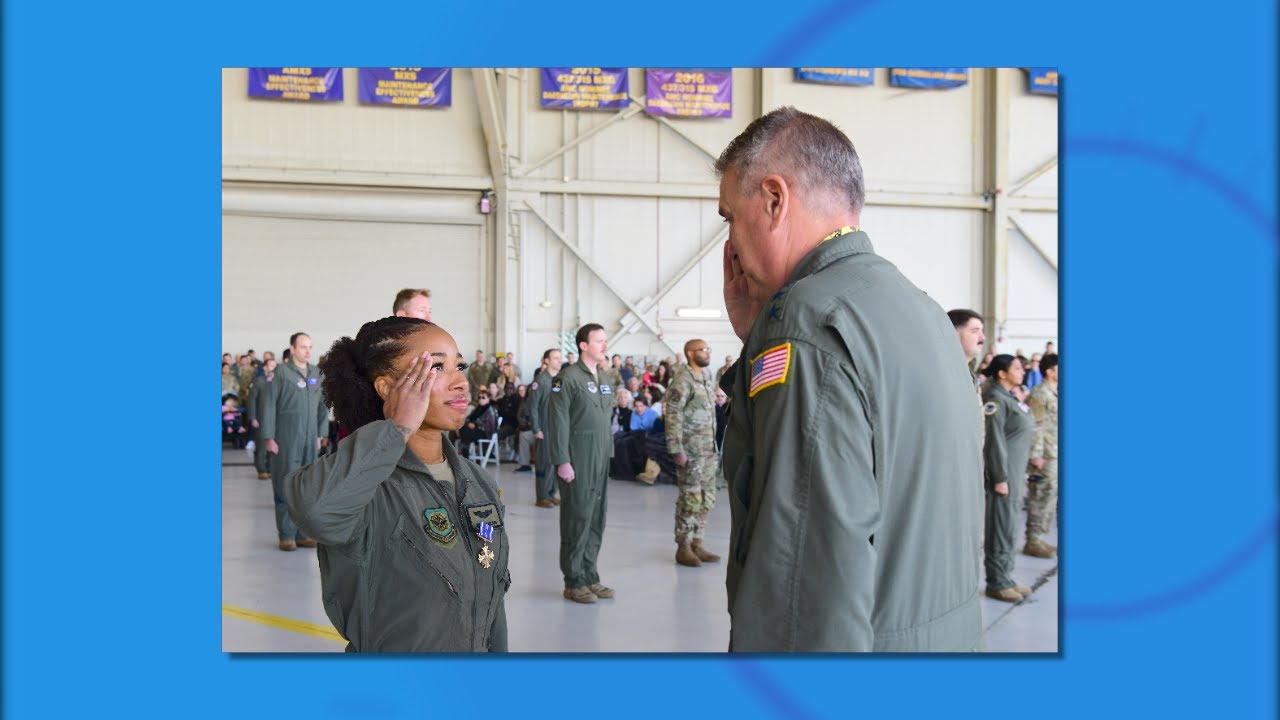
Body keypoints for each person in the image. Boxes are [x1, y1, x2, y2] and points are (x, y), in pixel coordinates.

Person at [715, 106, 983, 651]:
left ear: (773, 200)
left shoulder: (807, 323)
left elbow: (802, 591)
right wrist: (758, 335)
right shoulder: (919, 308)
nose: (731, 245)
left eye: (729, 218)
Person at [281, 316, 509, 652]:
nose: (460, 381)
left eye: (458, 366)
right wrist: (396, 428)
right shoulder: (364, 485)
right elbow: (317, 513)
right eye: (436, 367)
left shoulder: (479, 483)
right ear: (387, 388)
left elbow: (493, 608)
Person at [547, 323, 616, 603]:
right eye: (599, 340)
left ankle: (590, 575)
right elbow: (558, 422)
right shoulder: (566, 378)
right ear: (583, 345)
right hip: (578, 457)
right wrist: (562, 460)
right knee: (577, 517)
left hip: (601, 456)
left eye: (605, 340)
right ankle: (573, 580)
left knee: (597, 517)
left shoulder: (605, 378)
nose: (604, 345)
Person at [260, 332, 329, 551]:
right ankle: (286, 534)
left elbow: (322, 406)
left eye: (310, 347)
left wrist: (320, 433)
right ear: (292, 349)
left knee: (306, 487)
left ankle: (302, 533)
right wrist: (269, 437)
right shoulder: (281, 372)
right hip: (286, 438)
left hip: (310, 439)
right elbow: (269, 404)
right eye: (303, 347)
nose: (308, 351)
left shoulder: (315, 373)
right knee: (286, 484)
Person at [981, 355, 1036, 602]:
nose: (1022, 371)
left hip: (1015, 473)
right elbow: (994, 441)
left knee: (1010, 525)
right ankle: (997, 581)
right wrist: (1000, 476)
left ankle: (1007, 576)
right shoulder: (995, 400)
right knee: (1001, 527)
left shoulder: (1010, 398)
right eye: (1016, 368)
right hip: (1003, 475)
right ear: (1002, 373)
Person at [664, 338, 720, 567]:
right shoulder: (683, 380)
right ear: (689, 353)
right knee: (690, 498)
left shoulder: (705, 378)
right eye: (703, 350)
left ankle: (698, 542)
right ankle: (683, 546)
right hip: (691, 451)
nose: (707, 353)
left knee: (707, 498)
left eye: (708, 349)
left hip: (708, 450)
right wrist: (676, 449)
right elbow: (673, 414)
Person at [1023, 353, 1059, 558]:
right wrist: (1035, 455)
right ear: (1050, 371)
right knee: (1040, 493)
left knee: (1050, 494)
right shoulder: (1039, 393)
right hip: (1044, 454)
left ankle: (1039, 537)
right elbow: (1035, 426)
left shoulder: (1054, 392)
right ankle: (1032, 539)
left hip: (1053, 451)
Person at [527, 349, 563, 508]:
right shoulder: (540, 381)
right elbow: (532, 406)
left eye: (560, 358)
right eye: (555, 358)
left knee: (556, 462)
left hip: (557, 428)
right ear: (546, 360)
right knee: (544, 463)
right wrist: (536, 428)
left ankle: (551, 493)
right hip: (544, 428)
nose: (559, 360)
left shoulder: (558, 380)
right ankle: (541, 496)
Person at [246, 358, 278, 479]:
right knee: (261, 446)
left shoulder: (276, 382)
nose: (273, 368)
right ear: (264, 367)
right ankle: (261, 469)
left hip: (274, 419)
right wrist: (253, 417)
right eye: (270, 366)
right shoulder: (258, 381)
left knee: (273, 445)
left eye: (275, 366)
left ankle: (270, 468)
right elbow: (251, 401)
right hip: (261, 418)